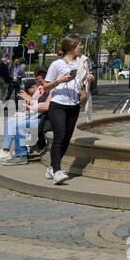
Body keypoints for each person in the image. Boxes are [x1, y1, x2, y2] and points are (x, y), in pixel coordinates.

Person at [40, 36, 92, 185]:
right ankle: (57, 171)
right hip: (58, 104)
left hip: (74, 104)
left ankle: (51, 168)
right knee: (60, 135)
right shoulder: (57, 64)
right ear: (71, 46)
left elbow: (81, 84)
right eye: (79, 45)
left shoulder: (80, 64)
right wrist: (59, 81)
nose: (81, 47)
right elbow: (45, 87)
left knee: (67, 138)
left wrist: (88, 78)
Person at [0, 70, 51, 166]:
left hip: (44, 119)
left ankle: (20, 153)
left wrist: (29, 100)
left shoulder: (51, 90)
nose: (39, 84)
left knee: (18, 125)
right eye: (38, 81)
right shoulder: (42, 89)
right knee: (11, 121)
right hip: (37, 115)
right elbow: (36, 101)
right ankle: (6, 150)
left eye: (41, 81)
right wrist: (30, 101)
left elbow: (44, 106)